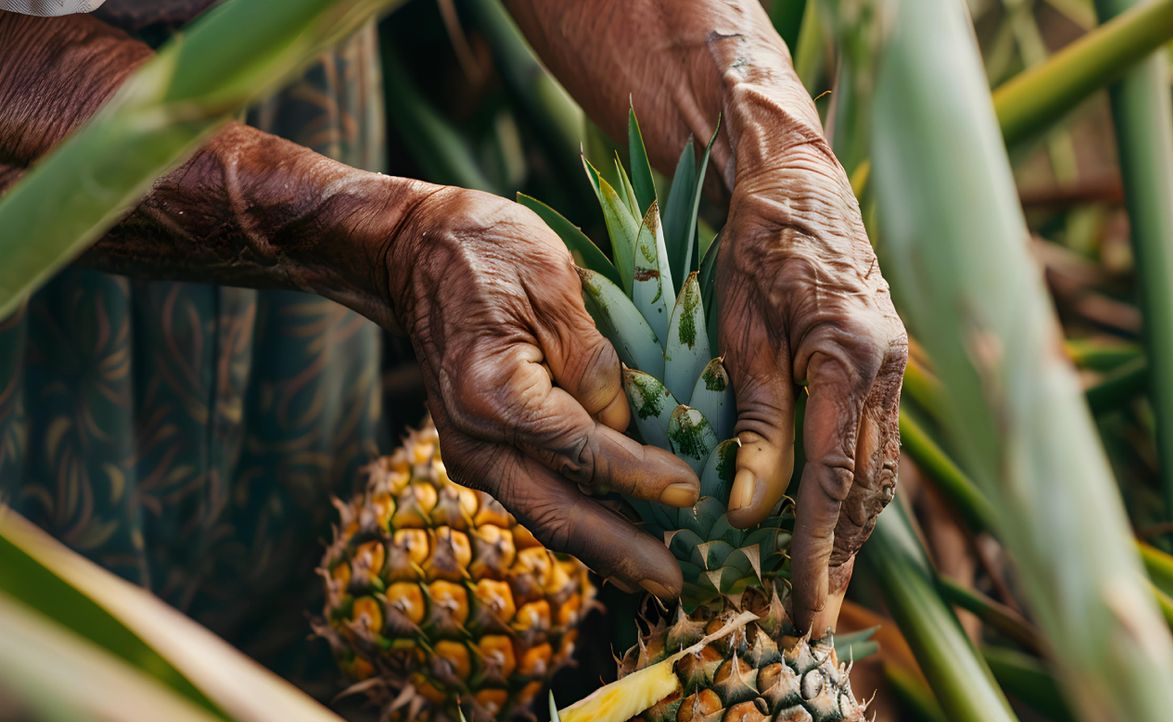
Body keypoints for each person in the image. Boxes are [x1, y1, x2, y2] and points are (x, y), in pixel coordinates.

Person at [0, 1, 906, 675]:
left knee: (294, 612)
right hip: (37, 179)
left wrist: (776, 139)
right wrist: (379, 235)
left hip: (295, 77)